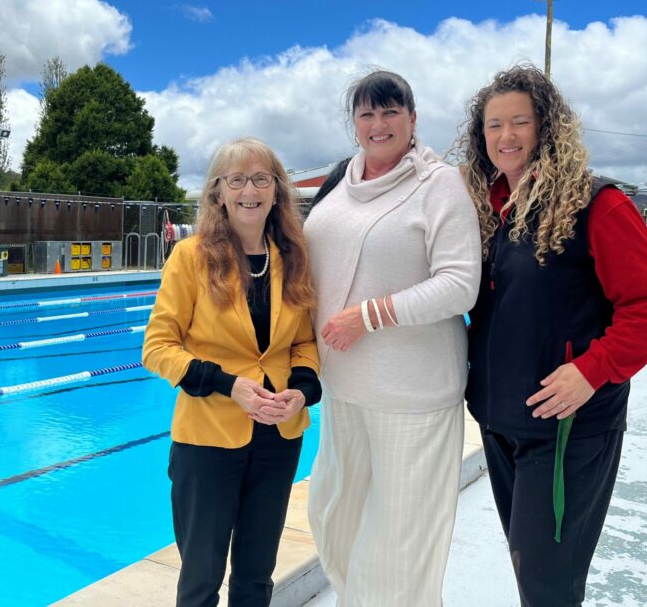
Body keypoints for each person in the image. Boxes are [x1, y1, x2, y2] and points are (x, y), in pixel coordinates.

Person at [462, 64, 647, 607]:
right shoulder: (489, 210)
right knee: (530, 572)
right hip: (502, 423)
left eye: (520, 121)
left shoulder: (595, 203)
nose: (506, 136)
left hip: (567, 429)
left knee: (547, 586)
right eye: (493, 125)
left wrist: (592, 370)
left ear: (546, 126)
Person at [304, 70, 480, 606]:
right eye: (367, 113)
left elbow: (460, 284)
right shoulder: (341, 180)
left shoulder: (438, 185)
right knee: (333, 519)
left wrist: (370, 315)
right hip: (344, 389)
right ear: (354, 123)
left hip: (412, 396)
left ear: (412, 118)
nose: (378, 123)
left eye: (390, 111)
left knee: (398, 550)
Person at [143, 137, 321, 607]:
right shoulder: (191, 257)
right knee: (201, 579)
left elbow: (304, 342)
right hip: (207, 439)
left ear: (277, 191)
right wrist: (227, 385)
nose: (249, 190)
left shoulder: (293, 258)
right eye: (237, 180)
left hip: (279, 437)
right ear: (218, 193)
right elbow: (158, 346)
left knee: (256, 576)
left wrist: (302, 391)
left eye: (261, 179)